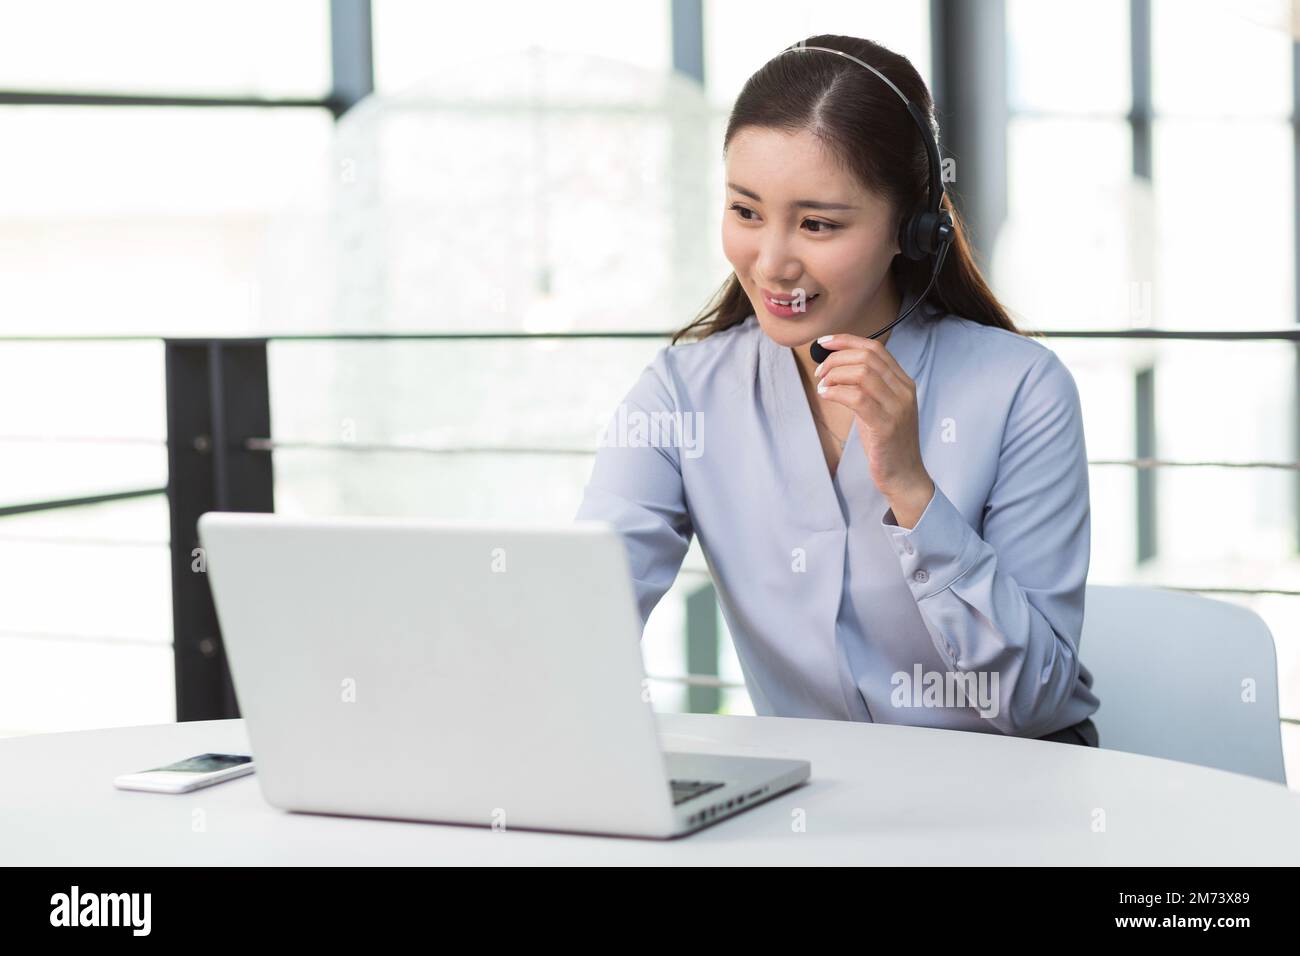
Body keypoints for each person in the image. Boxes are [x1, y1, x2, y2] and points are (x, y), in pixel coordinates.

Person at [575, 34, 1100, 747]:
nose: (770, 262)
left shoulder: (1022, 391)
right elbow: (584, 607)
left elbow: (1034, 701)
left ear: (913, 231)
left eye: (817, 224)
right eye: (746, 212)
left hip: (1015, 803)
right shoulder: (680, 396)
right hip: (818, 811)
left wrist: (913, 491)